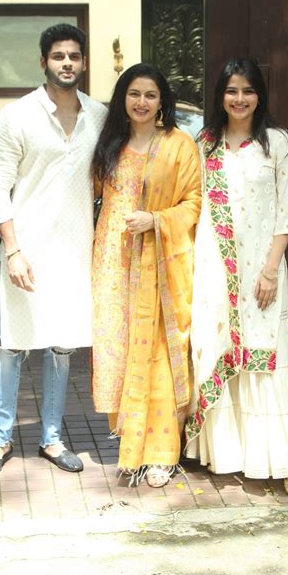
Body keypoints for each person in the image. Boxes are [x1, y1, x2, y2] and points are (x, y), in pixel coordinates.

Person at [186, 58, 288, 497]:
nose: (240, 99)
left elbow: (285, 214)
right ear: (220, 95)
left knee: (267, 354)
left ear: (259, 95)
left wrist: (270, 270)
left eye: (248, 90)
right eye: (232, 90)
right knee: (221, 347)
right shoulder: (204, 143)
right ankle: (228, 456)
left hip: (262, 271)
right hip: (214, 267)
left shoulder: (279, 144)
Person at [0, 23, 107, 478]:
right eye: (58, 56)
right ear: (43, 62)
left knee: (61, 345)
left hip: (75, 252)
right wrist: (12, 249)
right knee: (11, 347)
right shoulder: (17, 115)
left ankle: (51, 438)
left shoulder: (100, 115)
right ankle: (0, 438)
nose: (67, 62)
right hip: (26, 251)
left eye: (74, 55)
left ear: (83, 62)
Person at [92, 63, 202, 488]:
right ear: (123, 98)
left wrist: (155, 219)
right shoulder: (110, 143)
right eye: (134, 93)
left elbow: (193, 204)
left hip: (159, 263)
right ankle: (131, 445)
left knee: (156, 350)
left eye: (150, 95)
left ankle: (159, 454)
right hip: (112, 266)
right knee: (121, 350)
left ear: (162, 101)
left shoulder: (178, 145)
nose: (141, 102)